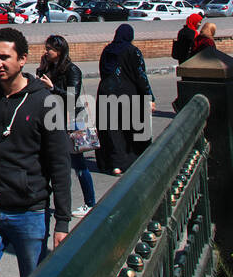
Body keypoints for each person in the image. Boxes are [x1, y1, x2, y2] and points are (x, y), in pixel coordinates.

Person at [0, 28, 72, 277]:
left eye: (5, 57)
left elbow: (60, 164)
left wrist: (62, 222)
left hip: (29, 211)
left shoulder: (47, 102)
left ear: (22, 59)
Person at [36, 34, 96, 219]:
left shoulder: (72, 70)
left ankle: (90, 203)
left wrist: (53, 87)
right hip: (53, 118)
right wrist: (42, 68)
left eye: (50, 49)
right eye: (46, 48)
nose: (46, 51)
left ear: (60, 51)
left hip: (72, 120)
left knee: (78, 164)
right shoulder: (50, 68)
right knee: (50, 162)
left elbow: (73, 96)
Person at [96, 24, 152, 175]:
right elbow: (141, 76)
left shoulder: (107, 50)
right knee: (128, 130)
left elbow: (103, 71)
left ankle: (115, 164)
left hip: (106, 92)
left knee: (112, 131)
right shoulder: (133, 51)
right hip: (127, 94)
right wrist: (149, 97)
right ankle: (130, 162)